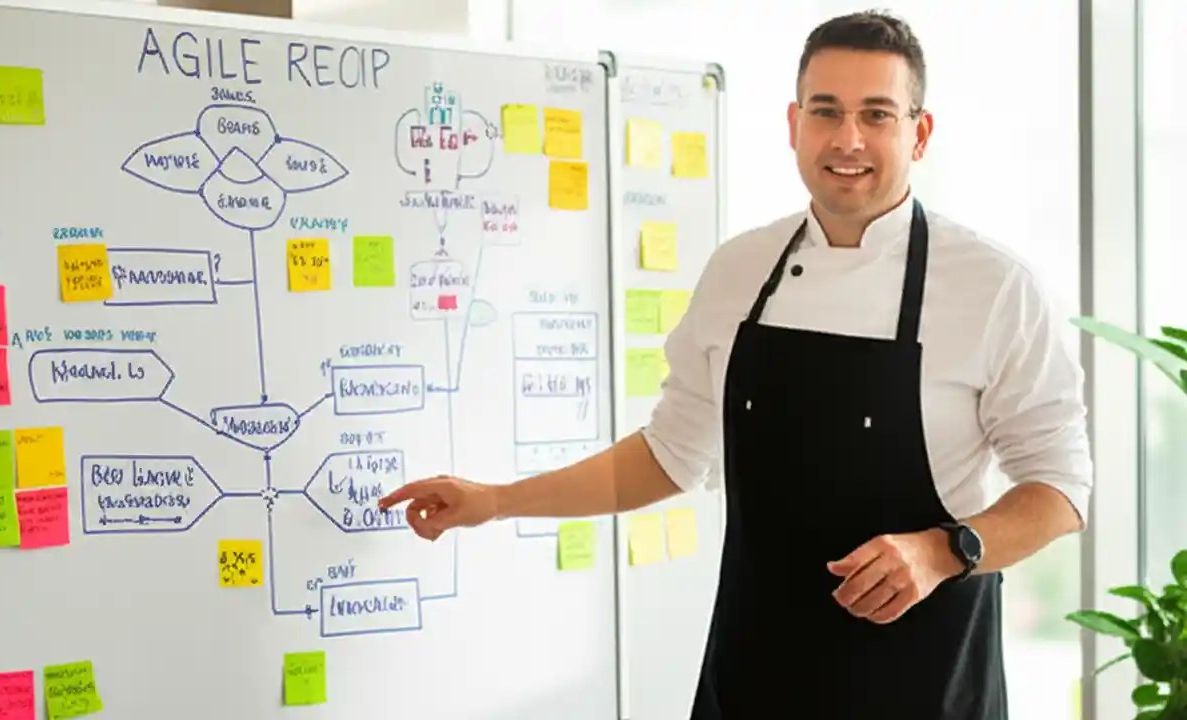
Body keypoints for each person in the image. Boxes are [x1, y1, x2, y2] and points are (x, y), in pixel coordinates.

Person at [380, 10, 1093, 720]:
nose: (848, 139)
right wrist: (498, 500)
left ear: (919, 131)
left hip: (924, 688)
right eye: (826, 112)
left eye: (876, 114)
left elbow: (1060, 492)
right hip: (755, 680)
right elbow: (668, 454)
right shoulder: (740, 271)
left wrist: (945, 552)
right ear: (793, 125)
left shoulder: (995, 287)